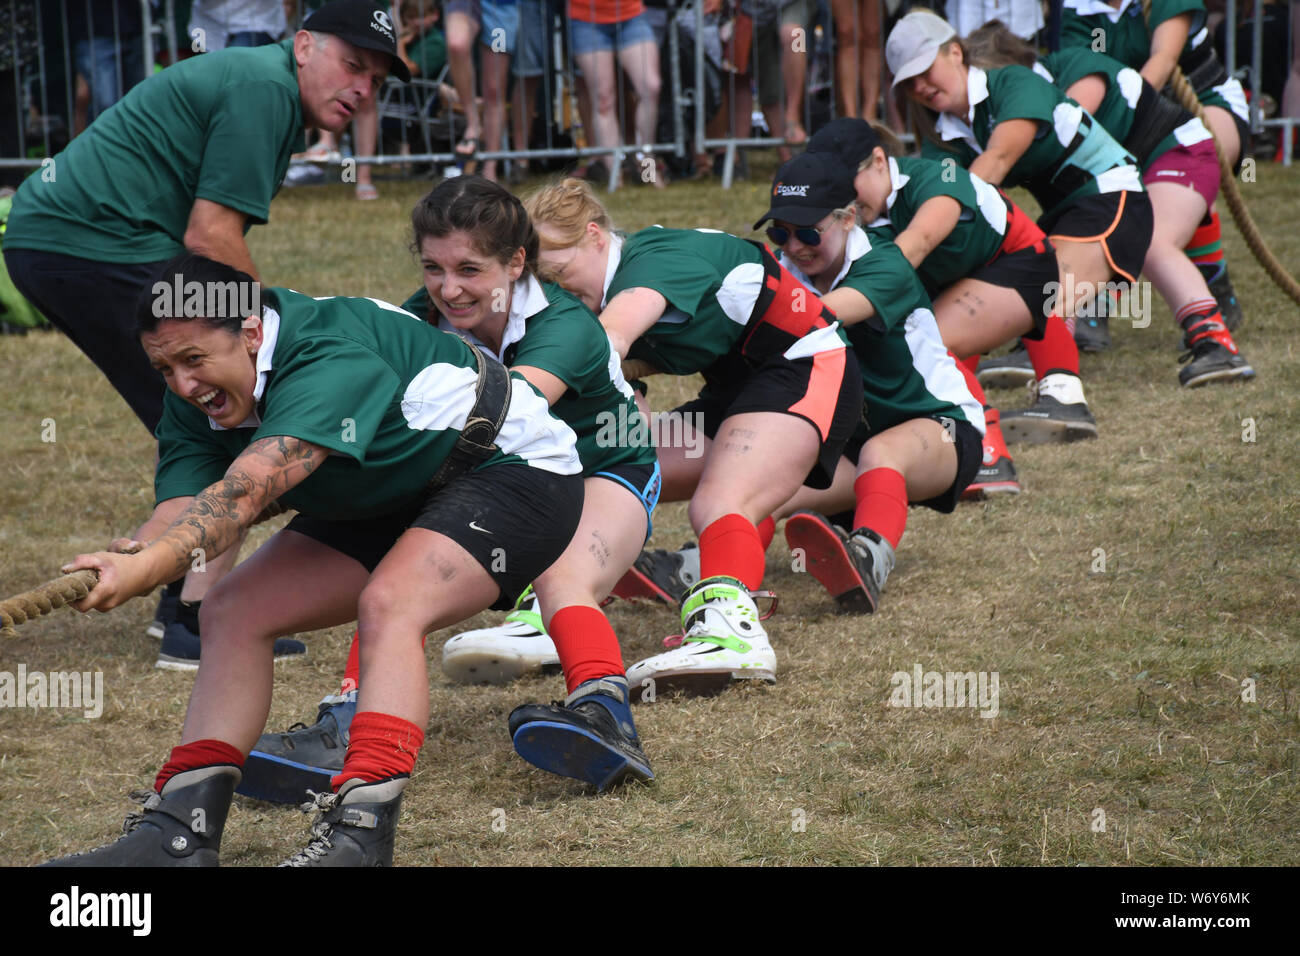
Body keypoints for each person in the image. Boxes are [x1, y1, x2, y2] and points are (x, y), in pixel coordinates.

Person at [43, 252, 586, 867]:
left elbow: (243, 495)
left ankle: (359, 838)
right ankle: (177, 834)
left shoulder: (328, 353)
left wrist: (147, 569)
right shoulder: (197, 392)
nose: (182, 385)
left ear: (250, 331)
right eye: (163, 368)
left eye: (194, 360)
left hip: (513, 474)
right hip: (388, 485)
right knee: (232, 609)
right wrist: (138, 556)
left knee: (390, 604)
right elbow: (183, 513)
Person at [4, 0, 411, 667]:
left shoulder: (266, 85)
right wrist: (281, 338)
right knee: (232, 408)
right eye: (353, 64)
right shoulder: (264, 88)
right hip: (90, 244)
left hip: (71, 242)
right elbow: (211, 237)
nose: (363, 88)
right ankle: (193, 620)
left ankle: (184, 607)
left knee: (217, 412)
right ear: (303, 45)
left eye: (376, 79)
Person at [236, 176, 659, 800]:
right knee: (398, 572)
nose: (449, 287)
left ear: (517, 262)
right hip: (483, 471)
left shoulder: (564, 325)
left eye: (469, 268)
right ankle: (351, 717)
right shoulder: (418, 317)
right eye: (433, 267)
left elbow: (509, 419)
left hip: (601, 468)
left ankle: (604, 712)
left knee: (559, 574)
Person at [525, 178, 862, 694]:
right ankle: (560, 604)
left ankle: (732, 633)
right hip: (737, 389)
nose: (554, 287)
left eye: (558, 270)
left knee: (721, 501)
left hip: (806, 363)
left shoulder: (654, 262)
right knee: (608, 470)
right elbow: (618, 389)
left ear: (595, 236)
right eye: (539, 278)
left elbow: (607, 342)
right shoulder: (604, 286)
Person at [755, 153, 985, 612]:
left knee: (885, 452)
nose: (794, 246)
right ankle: (703, 566)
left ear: (847, 218)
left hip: (942, 427)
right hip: (848, 444)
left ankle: (867, 558)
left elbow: (820, 318)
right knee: (765, 483)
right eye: (780, 232)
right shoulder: (782, 269)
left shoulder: (886, 265)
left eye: (808, 232)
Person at [965, 22, 1254, 386]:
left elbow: (1065, 139)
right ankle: (1048, 340)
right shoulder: (1012, 108)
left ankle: (1216, 342)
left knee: (1155, 241)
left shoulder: (1072, 71)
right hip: (1109, 184)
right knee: (1051, 251)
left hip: (1173, 151)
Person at [808, 119, 1091, 487]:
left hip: (1022, 265)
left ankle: (988, 455)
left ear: (879, 160)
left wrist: (828, 310)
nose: (843, 201)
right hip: (959, 282)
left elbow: (918, 243)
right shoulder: (860, 214)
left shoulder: (936, 177)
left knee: (931, 343)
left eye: (847, 187)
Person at [886, 11, 1158, 378]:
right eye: (907, 82)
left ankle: (1062, 395)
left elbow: (995, 163)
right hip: (1065, 215)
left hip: (1113, 197)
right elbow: (941, 202)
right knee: (985, 295)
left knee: (1043, 291)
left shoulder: (1013, 82)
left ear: (955, 52)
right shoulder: (943, 137)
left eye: (924, 70)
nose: (919, 86)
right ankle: (957, 395)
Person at [1058, 0, 1249, 337]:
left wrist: (1127, 124)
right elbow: (1083, 68)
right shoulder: (1078, 9)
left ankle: (1205, 289)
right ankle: (1092, 300)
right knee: (1100, 187)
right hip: (1127, 116)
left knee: (1171, 185)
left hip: (1203, 104)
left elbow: (1163, 60)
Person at [568, 0, 665, 186]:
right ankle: (615, 176)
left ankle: (646, 166)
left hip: (631, 14)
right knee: (603, 99)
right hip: (585, 18)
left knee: (651, 86)